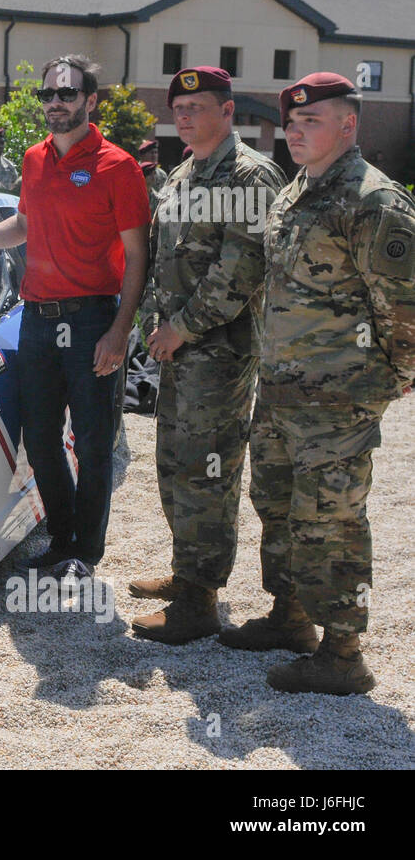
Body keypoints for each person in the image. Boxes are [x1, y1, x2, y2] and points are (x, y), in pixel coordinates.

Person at [225, 73, 415, 694]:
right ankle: (291, 618)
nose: (296, 132)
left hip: (338, 402)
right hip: (281, 392)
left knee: (332, 522)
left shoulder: (372, 201)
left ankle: (343, 653)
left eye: (312, 122)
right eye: (292, 122)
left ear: (349, 125)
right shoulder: (296, 193)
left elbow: (407, 309)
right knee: (278, 509)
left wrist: (381, 386)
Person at [0, 55, 150, 576]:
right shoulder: (34, 160)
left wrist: (120, 332)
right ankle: (61, 537)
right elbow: (23, 226)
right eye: (49, 95)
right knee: (41, 437)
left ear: (90, 101)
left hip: (93, 319)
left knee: (94, 442)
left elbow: (140, 257)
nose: (56, 103)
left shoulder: (117, 167)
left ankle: (85, 552)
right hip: (37, 318)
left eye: (68, 93)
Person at [128, 66, 287, 644]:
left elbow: (240, 270)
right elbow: (159, 255)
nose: (185, 116)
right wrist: (153, 319)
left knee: (206, 468)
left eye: (199, 107)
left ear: (228, 112)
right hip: (179, 351)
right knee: (174, 463)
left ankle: (200, 601)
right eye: (179, 108)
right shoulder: (179, 176)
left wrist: (182, 328)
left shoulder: (248, 176)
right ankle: (186, 572)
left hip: (218, 352)